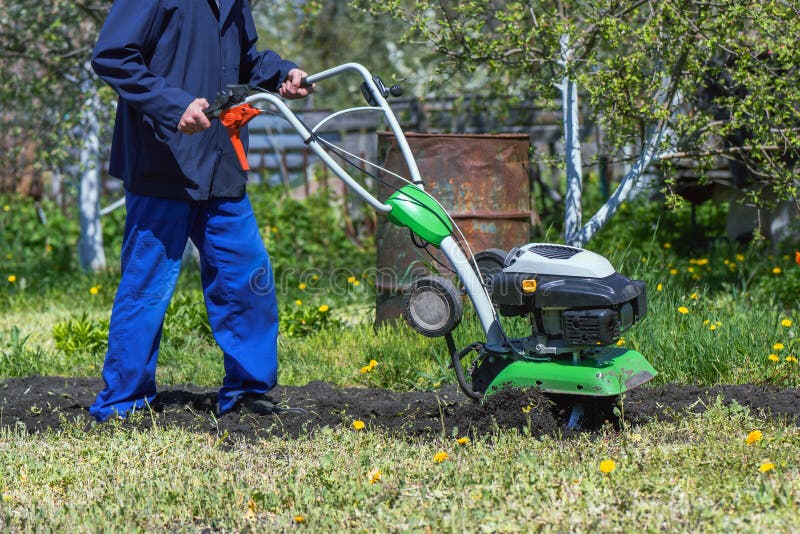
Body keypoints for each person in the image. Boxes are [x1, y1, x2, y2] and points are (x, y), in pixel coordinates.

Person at [88, 0, 312, 421]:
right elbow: (112, 56)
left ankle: (247, 391)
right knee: (147, 286)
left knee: (246, 278)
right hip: (162, 162)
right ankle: (124, 403)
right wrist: (174, 106)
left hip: (219, 160)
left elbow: (243, 59)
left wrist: (282, 73)